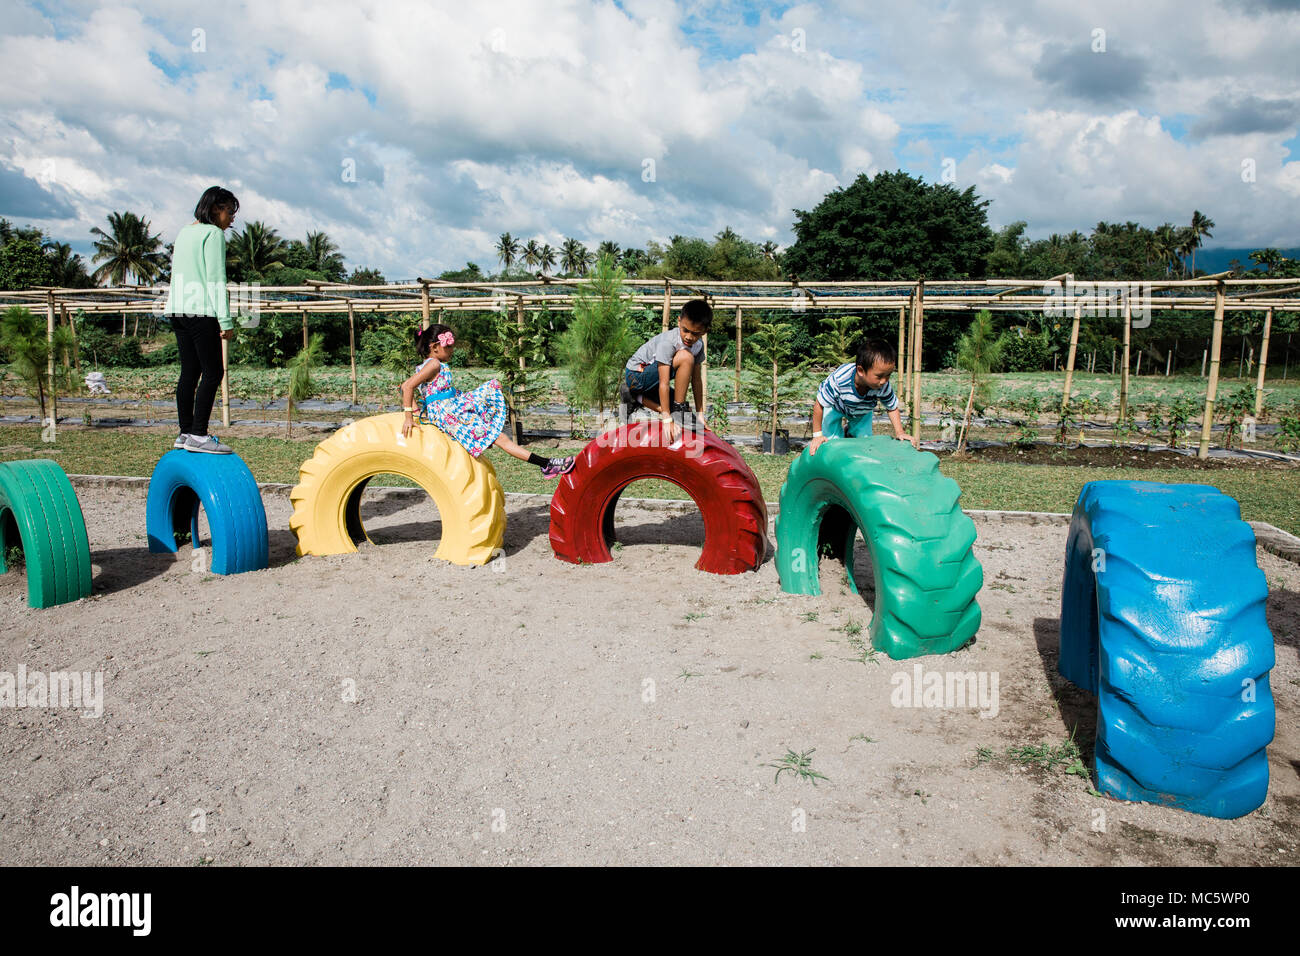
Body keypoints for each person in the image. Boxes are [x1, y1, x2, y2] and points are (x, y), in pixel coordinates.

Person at [399, 324, 575, 478]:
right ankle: (547, 464)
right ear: (435, 346)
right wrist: (409, 417)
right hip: (451, 413)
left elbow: (404, 387)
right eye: (449, 346)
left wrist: (416, 413)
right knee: (500, 437)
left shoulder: (428, 365)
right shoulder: (434, 364)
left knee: (499, 436)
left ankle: (546, 463)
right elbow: (407, 387)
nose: (452, 350)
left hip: (452, 410)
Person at [163, 185, 238, 454]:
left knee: (189, 372)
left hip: (178, 309)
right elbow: (216, 279)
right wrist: (226, 322)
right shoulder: (213, 234)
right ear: (217, 209)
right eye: (230, 212)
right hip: (201, 310)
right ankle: (199, 434)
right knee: (214, 371)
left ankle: (185, 433)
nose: (232, 219)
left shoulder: (185, 232)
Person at [621, 298, 712, 444]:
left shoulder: (698, 345)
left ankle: (634, 397)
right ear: (678, 321)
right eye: (685, 330)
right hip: (636, 375)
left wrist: (700, 414)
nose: (689, 337)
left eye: (695, 334)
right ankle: (676, 409)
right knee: (685, 357)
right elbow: (663, 383)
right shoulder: (669, 342)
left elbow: (696, 380)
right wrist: (667, 419)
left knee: (687, 413)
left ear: (705, 331)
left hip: (652, 379)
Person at [807, 339, 918, 455]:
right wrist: (817, 435)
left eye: (888, 375)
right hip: (836, 407)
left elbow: (892, 407)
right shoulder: (839, 380)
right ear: (860, 370)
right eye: (879, 376)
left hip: (863, 412)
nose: (884, 381)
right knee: (830, 442)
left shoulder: (882, 385)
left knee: (864, 444)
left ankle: (850, 434)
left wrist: (900, 432)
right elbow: (819, 404)